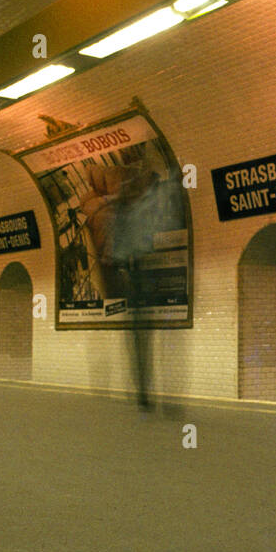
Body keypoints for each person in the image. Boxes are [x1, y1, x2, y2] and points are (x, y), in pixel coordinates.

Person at [105, 171, 170, 411]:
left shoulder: (127, 213)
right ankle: (144, 391)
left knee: (140, 339)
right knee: (141, 339)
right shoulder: (125, 214)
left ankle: (145, 391)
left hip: (138, 278)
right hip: (137, 277)